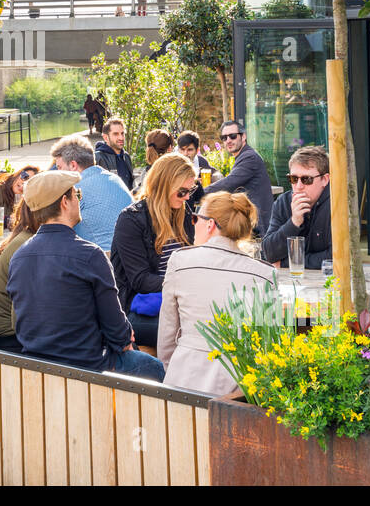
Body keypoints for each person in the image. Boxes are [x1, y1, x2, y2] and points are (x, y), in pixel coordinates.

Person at [7, 171, 164, 380]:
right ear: (65, 202)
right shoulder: (89, 255)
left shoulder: (18, 257)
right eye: (77, 194)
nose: (79, 200)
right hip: (88, 367)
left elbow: (19, 321)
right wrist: (126, 339)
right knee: (154, 367)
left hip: (37, 365)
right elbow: (117, 331)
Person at [158, 192, 276, 395]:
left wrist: (172, 368)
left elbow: (167, 335)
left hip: (183, 377)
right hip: (238, 387)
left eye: (195, 218)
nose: (192, 223)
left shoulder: (180, 261)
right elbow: (267, 344)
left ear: (210, 224)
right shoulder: (265, 273)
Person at [111, 154, 197, 347]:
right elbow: (140, 281)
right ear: (164, 185)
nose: (187, 197)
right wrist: (183, 282)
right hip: (138, 308)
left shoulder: (182, 213)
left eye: (191, 190)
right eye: (182, 191)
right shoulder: (132, 220)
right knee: (195, 334)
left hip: (175, 303)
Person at [50, 134, 134, 252]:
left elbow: (57, 231)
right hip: (132, 253)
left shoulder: (74, 190)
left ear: (73, 165)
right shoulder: (114, 179)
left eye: (59, 167)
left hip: (102, 259)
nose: (58, 173)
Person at [0, 197, 44, 353]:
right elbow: (20, 315)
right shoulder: (28, 244)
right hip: (10, 338)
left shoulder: (24, 236)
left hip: (6, 331)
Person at [261, 146, 332, 270]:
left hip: (329, 284)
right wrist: (294, 222)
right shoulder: (283, 202)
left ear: (324, 180)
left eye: (306, 179)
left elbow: (336, 257)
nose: (299, 186)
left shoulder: (337, 205)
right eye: (293, 179)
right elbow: (268, 253)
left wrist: (285, 263)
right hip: (290, 284)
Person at [208, 120, 273, 233]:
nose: (228, 140)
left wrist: (198, 192)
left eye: (232, 136)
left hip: (257, 228)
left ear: (243, 137)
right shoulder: (244, 156)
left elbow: (229, 183)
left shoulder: (249, 157)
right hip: (251, 222)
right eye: (224, 138)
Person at [95, 117, 134, 190]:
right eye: (116, 134)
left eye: (122, 133)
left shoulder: (126, 156)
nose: (121, 138)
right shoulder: (98, 157)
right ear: (106, 137)